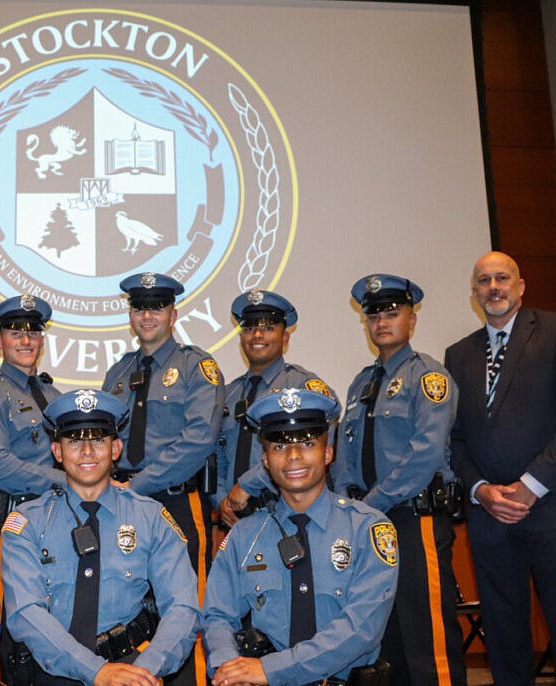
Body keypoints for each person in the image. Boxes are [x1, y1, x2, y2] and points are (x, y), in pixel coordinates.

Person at [445, 251, 556, 685]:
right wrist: (481, 490)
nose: (493, 287)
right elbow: (455, 440)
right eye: (483, 281)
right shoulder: (458, 355)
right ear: (474, 292)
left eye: (502, 278)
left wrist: (530, 486)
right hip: (491, 520)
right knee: (504, 646)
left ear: (521, 286)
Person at [1, 389, 200, 686]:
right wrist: (97, 672)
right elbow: (26, 613)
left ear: (116, 448)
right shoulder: (27, 523)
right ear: (57, 452)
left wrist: (146, 671)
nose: (86, 452)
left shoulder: (150, 518)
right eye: (74, 441)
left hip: (135, 668)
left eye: (97, 440)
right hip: (54, 672)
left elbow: (182, 607)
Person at [203, 388, 398, 686]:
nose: (293, 456)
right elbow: (217, 615)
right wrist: (228, 667)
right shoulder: (245, 535)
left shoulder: (368, 529)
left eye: (307, 443)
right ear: (266, 460)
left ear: (328, 453)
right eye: (279, 447)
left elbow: (362, 629)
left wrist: (271, 670)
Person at [329, 274, 465, 685]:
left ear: (412, 319)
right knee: (383, 637)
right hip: (369, 524)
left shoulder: (429, 377)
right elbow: (345, 457)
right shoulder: (361, 384)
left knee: (427, 636)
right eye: (374, 316)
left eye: (392, 313)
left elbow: (425, 454)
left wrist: (372, 503)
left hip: (413, 519)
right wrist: (345, 506)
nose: (382, 322)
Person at [102, 272, 223, 686]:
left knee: (185, 608)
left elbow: (198, 440)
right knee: (128, 605)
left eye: (156, 306)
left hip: (175, 502)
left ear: (173, 313)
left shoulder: (197, 366)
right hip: (119, 504)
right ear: (130, 314)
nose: (147, 314)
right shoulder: (119, 373)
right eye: (139, 307)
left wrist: (135, 486)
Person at [215, 290, 336, 527]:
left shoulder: (304, 389)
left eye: (268, 327)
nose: (257, 334)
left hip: (288, 515)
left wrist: (247, 484)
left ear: (285, 337)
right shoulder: (227, 395)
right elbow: (215, 455)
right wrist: (221, 500)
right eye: (249, 328)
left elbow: (316, 451)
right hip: (232, 520)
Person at [0, 294, 63, 572]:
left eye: (32, 334)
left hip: (61, 520)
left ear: (42, 341)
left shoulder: (54, 396)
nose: (26, 341)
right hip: (15, 522)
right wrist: (64, 480)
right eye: (16, 334)